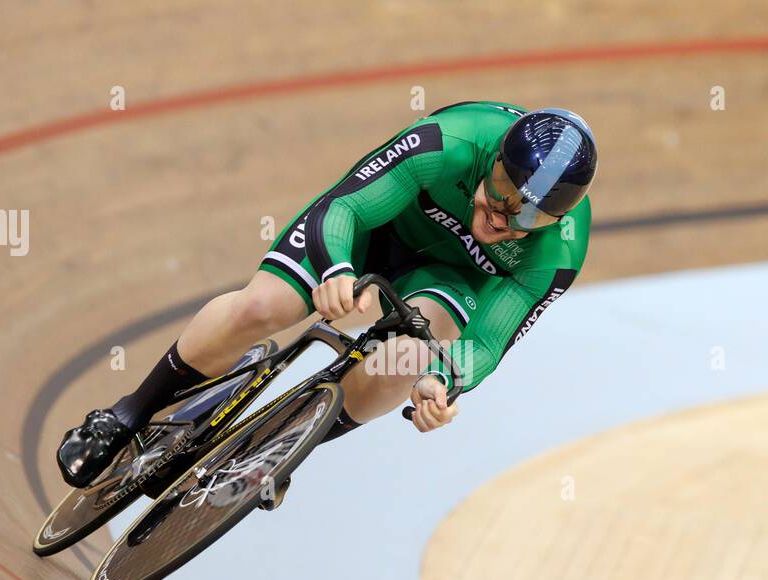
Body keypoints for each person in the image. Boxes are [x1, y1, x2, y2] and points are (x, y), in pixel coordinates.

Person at [57, 102, 597, 488]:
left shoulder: (558, 253)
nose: (500, 219)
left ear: (558, 217)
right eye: (501, 195)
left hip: (447, 282)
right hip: (374, 227)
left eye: (527, 216)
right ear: (494, 162)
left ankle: (279, 451)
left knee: (408, 358)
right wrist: (337, 268)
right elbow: (347, 207)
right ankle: (128, 414)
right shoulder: (450, 141)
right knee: (265, 307)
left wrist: (445, 382)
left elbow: (488, 340)